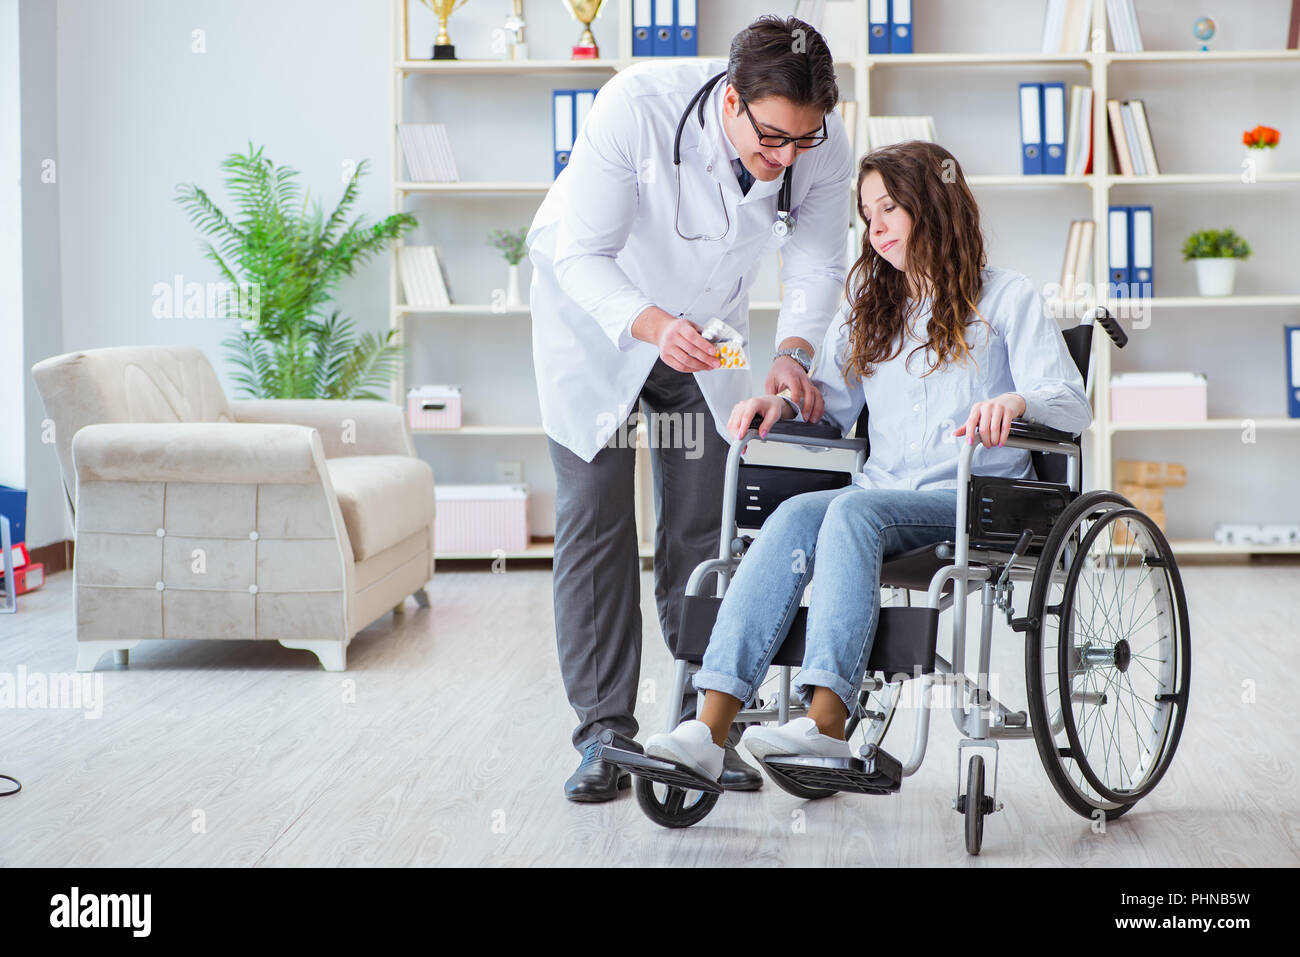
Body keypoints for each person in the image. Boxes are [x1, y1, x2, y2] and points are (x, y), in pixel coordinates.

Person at [642, 139, 1093, 781]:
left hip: (974, 502)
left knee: (853, 512)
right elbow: (827, 404)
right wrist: (782, 404)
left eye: (890, 208)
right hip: (883, 494)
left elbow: (1072, 406)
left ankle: (826, 722)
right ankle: (708, 730)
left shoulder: (1006, 298)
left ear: (933, 207)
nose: (875, 226)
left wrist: (1016, 402)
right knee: (796, 514)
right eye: (866, 212)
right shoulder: (870, 307)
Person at [526, 16, 855, 802]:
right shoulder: (635, 105)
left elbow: (817, 253)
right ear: (731, 99)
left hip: (710, 335)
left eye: (801, 143)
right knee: (596, 518)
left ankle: (699, 723)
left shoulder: (815, 138)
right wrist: (649, 325)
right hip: (596, 324)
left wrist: (793, 352)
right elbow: (580, 253)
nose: (784, 158)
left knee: (707, 518)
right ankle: (604, 732)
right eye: (770, 138)